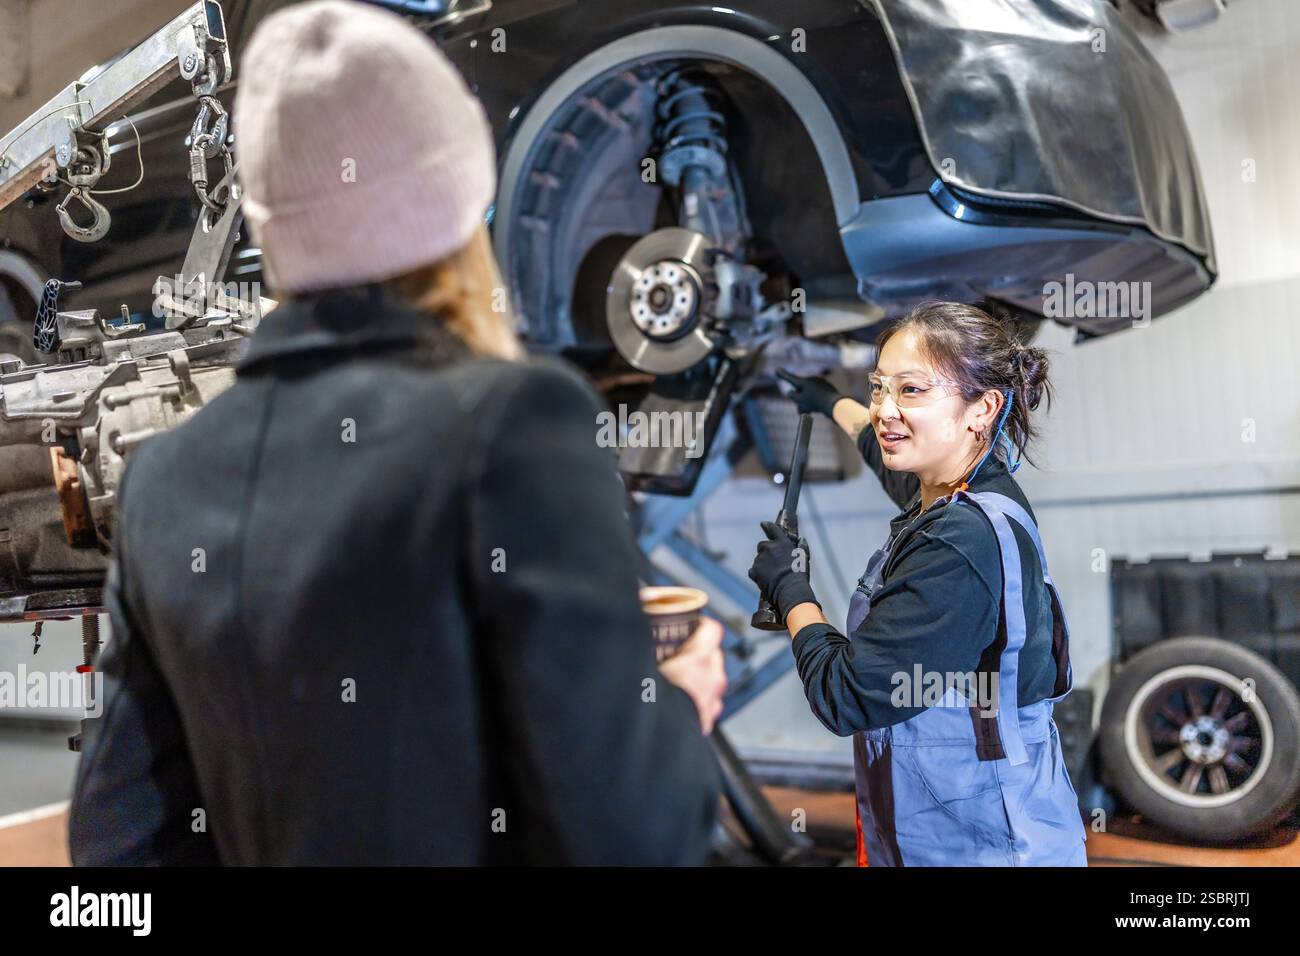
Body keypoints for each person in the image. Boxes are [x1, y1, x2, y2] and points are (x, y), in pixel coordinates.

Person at [68, 0, 724, 866]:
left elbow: (116, 850)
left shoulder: (166, 479)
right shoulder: (516, 424)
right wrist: (669, 704)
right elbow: (631, 835)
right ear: (458, 205)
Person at [751, 302, 1087, 866]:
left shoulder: (959, 541)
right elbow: (883, 449)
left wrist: (791, 589)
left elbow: (847, 695)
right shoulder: (970, 484)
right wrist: (828, 401)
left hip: (983, 848)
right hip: (958, 824)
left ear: (983, 408)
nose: (884, 409)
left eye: (911, 392)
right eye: (879, 387)